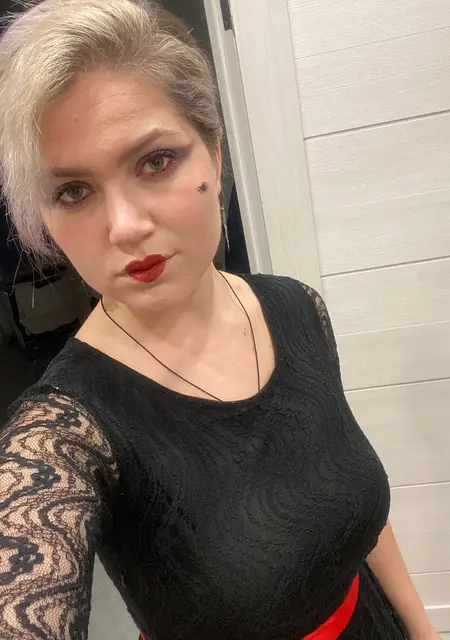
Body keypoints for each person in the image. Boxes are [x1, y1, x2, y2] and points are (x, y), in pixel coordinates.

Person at [0, 1, 440, 639]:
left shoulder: (297, 309)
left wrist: (423, 630)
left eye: (155, 161)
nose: (125, 226)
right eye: (73, 191)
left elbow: (360, 521)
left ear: (214, 153)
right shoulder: (64, 435)